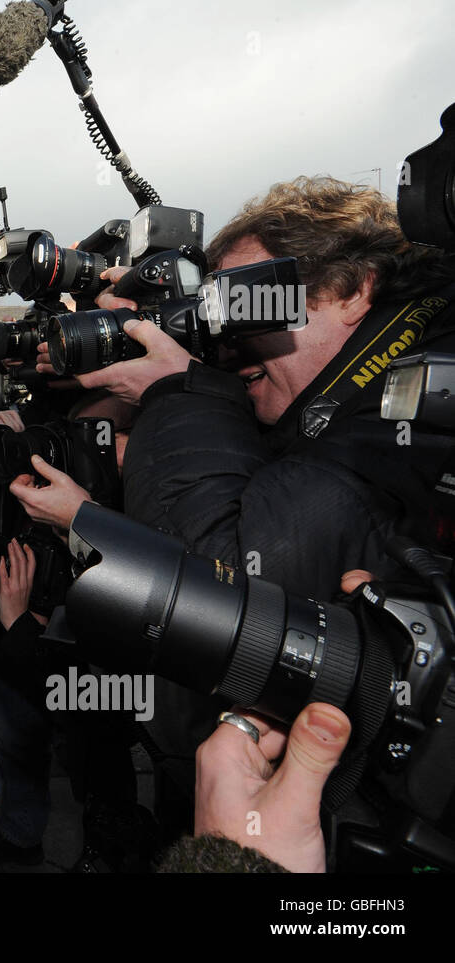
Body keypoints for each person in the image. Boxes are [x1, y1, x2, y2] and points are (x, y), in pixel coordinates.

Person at [37, 175, 455, 843]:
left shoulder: (402, 420)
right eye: (214, 309)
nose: (224, 340)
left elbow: (217, 612)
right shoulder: (315, 409)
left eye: (246, 303)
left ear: (351, 290)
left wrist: (177, 393)